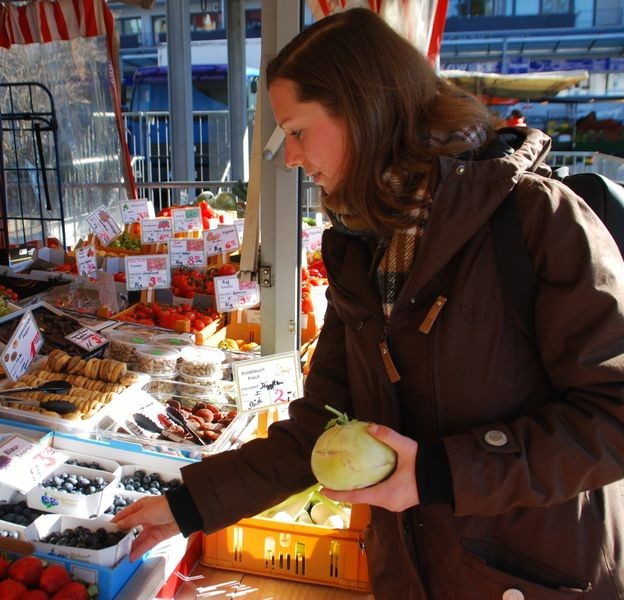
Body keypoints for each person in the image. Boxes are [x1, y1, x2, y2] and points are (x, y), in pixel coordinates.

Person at [113, 8, 624, 599]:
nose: (292, 158)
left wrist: (440, 472)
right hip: (412, 571)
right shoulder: (361, 245)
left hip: (533, 576)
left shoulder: (540, 221)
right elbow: (322, 423)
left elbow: (613, 415)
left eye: (298, 131)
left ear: (364, 110)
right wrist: (187, 505)